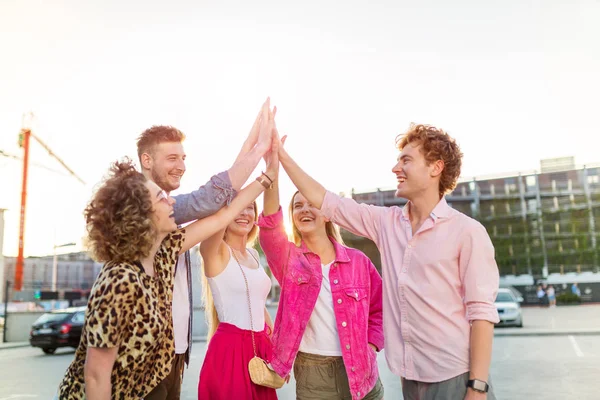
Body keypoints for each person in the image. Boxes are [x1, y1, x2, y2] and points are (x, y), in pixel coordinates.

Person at [56, 107, 276, 399]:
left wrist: (267, 177)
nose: (172, 204)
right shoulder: (119, 278)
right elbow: (96, 376)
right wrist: (259, 148)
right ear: (142, 213)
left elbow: (224, 214)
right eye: (162, 199)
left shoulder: (166, 249)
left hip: (161, 371)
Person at [276, 123, 499, 399]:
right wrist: (282, 156)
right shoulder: (387, 224)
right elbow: (327, 201)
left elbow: (482, 315)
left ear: (435, 168)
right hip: (410, 380)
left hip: (454, 378)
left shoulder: (467, 232)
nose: (396, 168)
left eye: (406, 160)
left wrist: (477, 389)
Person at [137, 98, 275, 399]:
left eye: (183, 158)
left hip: (173, 352)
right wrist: (262, 158)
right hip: (146, 353)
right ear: (147, 160)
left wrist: (256, 141)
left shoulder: (167, 209)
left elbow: (222, 199)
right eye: (172, 158)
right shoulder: (146, 209)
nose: (182, 166)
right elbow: (217, 202)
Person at [258, 149, 385, 400]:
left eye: (312, 204)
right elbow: (270, 225)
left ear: (327, 213)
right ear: (293, 217)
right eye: (298, 206)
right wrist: (272, 171)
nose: (304, 210)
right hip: (314, 374)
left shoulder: (358, 262)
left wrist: (370, 346)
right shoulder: (289, 260)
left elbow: (380, 311)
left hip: (363, 374)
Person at [197, 108, 279, 399]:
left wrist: (274, 340)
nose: (245, 213)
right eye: (239, 207)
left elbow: (259, 305)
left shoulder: (256, 257)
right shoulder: (215, 252)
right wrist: (254, 145)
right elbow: (225, 197)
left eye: (250, 208)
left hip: (260, 349)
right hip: (229, 352)